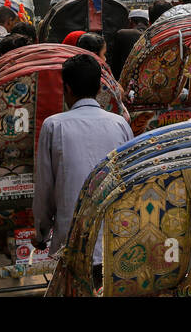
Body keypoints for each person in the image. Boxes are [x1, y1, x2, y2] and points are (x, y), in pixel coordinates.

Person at [33, 52, 133, 269]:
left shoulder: (54, 126)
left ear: (66, 89)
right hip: (116, 239)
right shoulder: (120, 124)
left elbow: (45, 188)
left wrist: (41, 233)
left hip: (72, 243)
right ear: (99, 89)